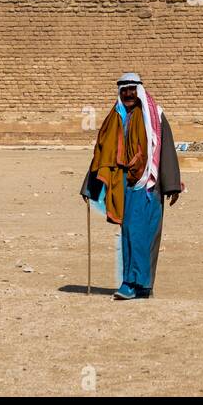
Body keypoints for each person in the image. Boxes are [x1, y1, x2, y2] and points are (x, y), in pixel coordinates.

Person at [79, 73, 184, 299]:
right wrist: (90, 186)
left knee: (149, 235)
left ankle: (144, 284)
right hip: (126, 185)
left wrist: (172, 184)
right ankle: (130, 283)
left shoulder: (154, 116)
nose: (128, 94)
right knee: (131, 233)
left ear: (139, 91)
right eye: (124, 90)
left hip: (150, 185)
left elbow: (164, 149)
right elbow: (103, 153)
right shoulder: (115, 118)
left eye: (131, 89)